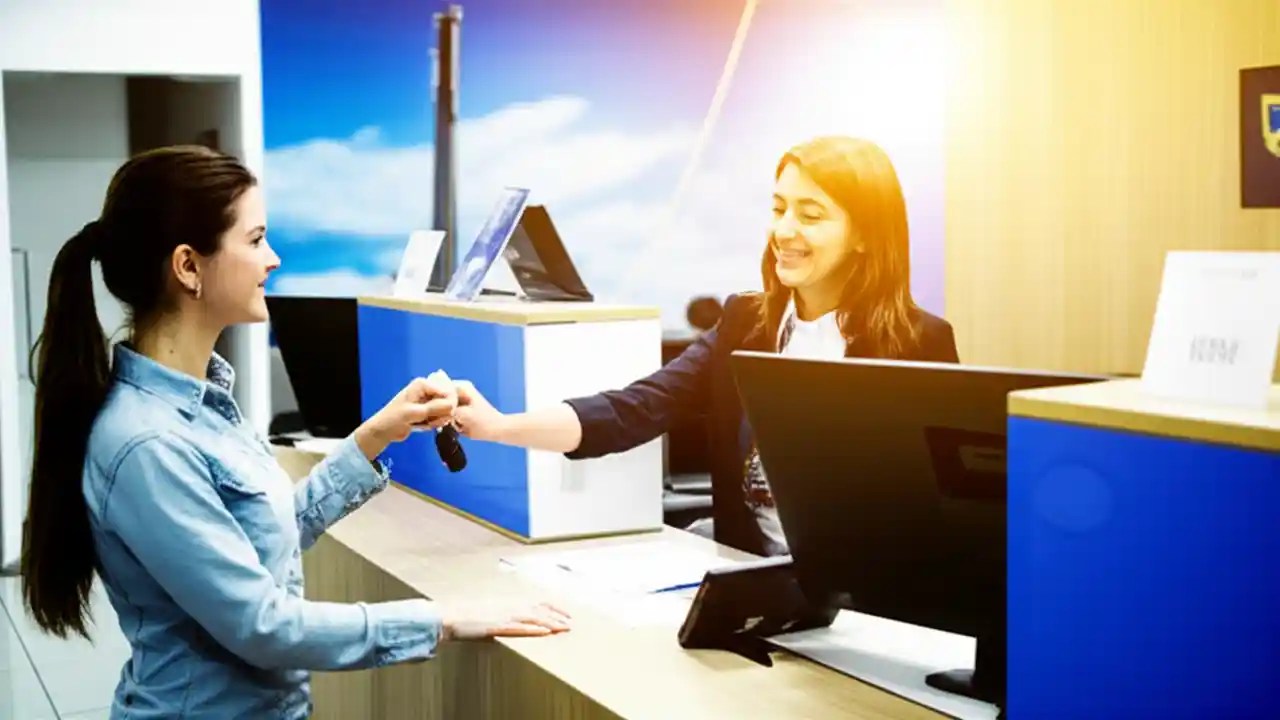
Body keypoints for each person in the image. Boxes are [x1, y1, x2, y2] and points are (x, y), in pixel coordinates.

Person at [19, 146, 569, 720]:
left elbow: (266, 535)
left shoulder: (203, 402)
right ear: (188, 267)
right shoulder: (147, 444)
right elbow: (262, 625)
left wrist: (376, 435)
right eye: (256, 240)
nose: (273, 259)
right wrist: (442, 617)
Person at [449, 136, 960, 558]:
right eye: (778, 208)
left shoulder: (919, 342)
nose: (784, 230)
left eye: (811, 215)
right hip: (755, 582)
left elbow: (946, 507)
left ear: (865, 235)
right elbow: (635, 409)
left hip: (869, 603)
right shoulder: (745, 323)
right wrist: (498, 426)